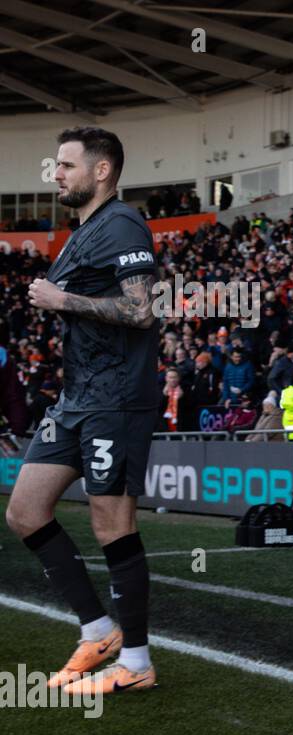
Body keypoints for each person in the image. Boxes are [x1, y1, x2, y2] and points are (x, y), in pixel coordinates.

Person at [7, 126, 159, 695]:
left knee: (111, 522)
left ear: (102, 171)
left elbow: (142, 310)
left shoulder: (122, 223)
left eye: (66, 165)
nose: (57, 173)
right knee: (24, 511)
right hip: (77, 399)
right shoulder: (83, 232)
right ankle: (98, 630)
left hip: (116, 400)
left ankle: (138, 664)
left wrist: (60, 299)